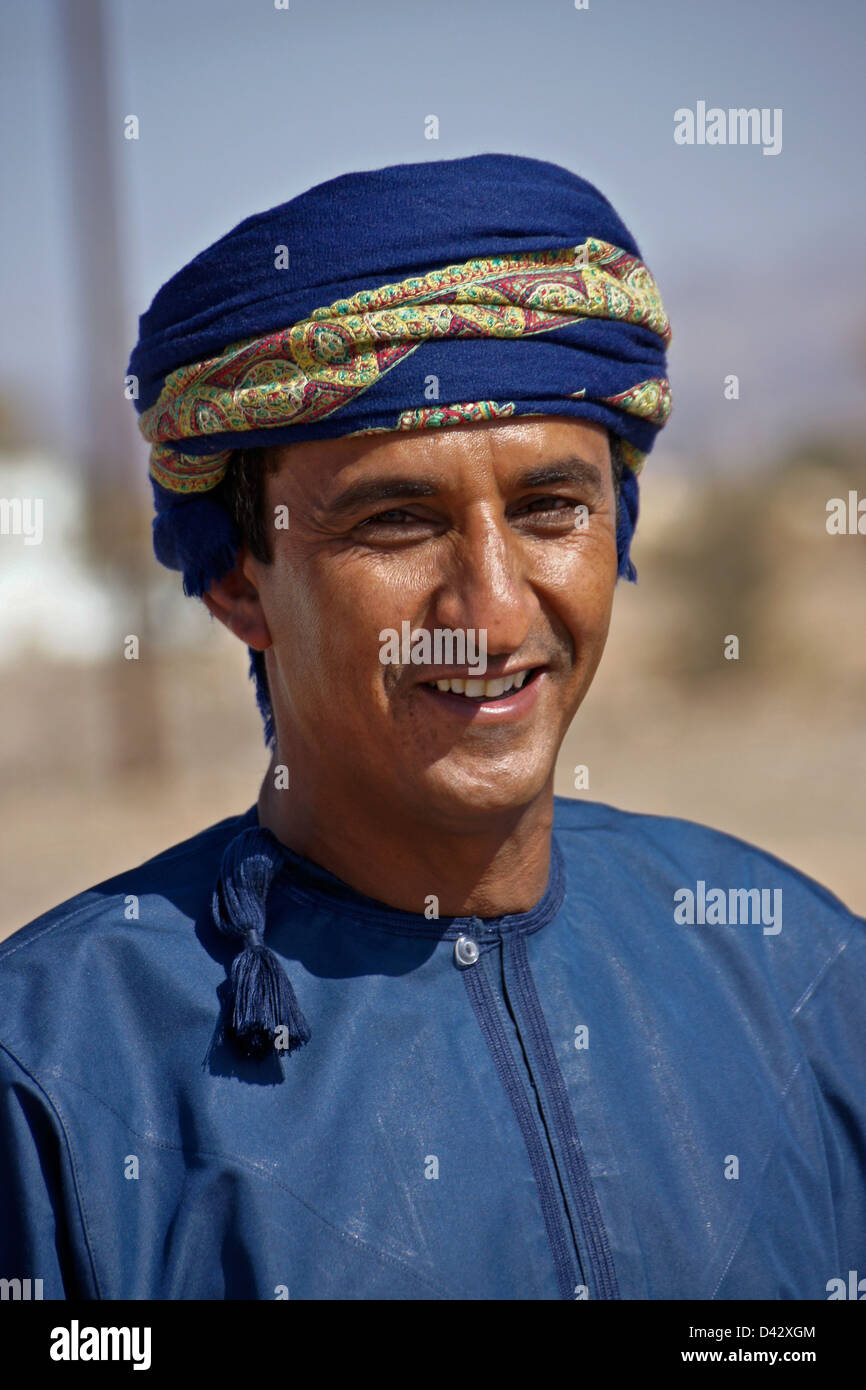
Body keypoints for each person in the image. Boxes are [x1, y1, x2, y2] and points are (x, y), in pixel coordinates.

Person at [0, 154, 862, 1302]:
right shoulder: (54, 1076)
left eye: (551, 508)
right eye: (396, 521)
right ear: (240, 581)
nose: (493, 614)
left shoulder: (798, 974)